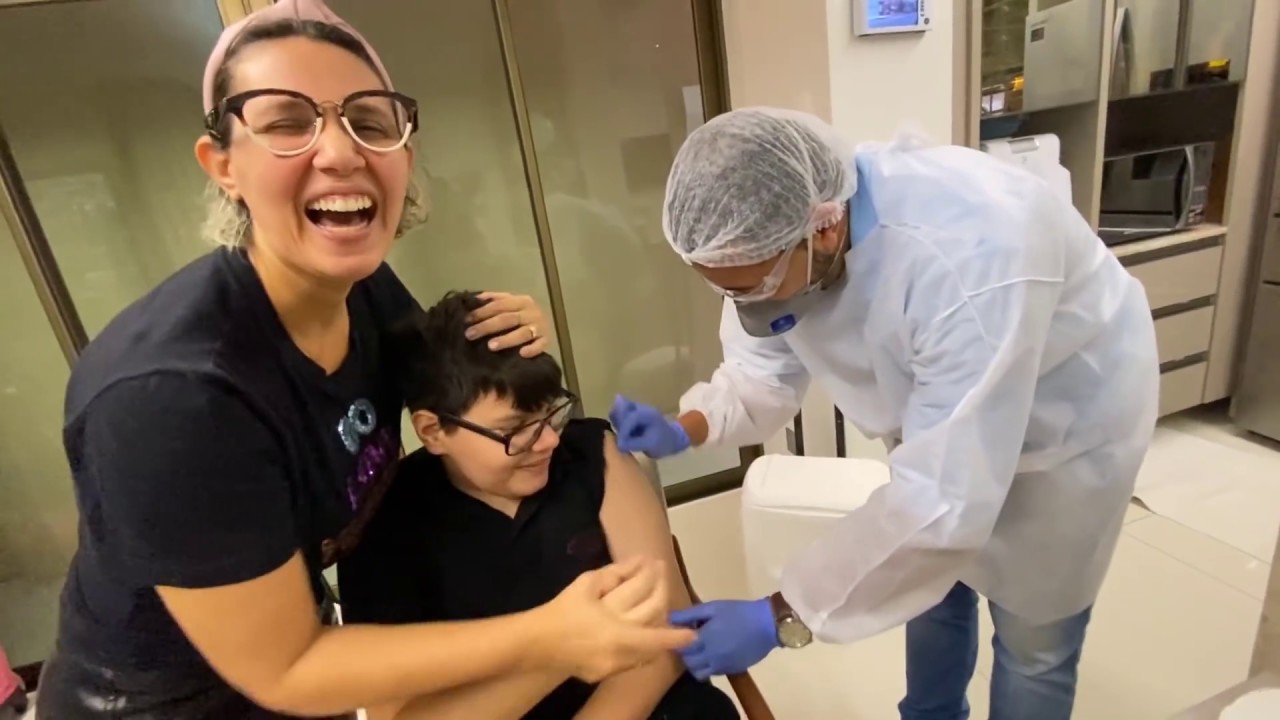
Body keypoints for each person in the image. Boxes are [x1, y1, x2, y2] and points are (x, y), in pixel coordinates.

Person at [36, 2, 693, 718]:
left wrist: (508, 333)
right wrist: (551, 638)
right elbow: (288, 665)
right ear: (223, 164)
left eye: (369, 121)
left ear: (404, 157)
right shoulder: (172, 396)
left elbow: (452, 377)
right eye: (287, 122)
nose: (340, 151)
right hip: (152, 702)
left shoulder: (366, 294)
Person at [610, 107, 1160, 720]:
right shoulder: (775, 239)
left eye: (748, 288)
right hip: (946, 421)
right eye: (725, 289)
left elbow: (941, 503)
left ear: (819, 232)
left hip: (1063, 433)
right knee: (930, 595)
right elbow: (763, 366)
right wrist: (687, 426)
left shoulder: (971, 254)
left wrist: (779, 615)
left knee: (1035, 644)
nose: (742, 303)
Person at [337, 292, 740, 720]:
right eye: (515, 430)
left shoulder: (590, 454)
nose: (548, 440)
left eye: (550, 415)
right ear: (433, 430)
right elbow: (400, 714)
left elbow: (666, 630)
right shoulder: (383, 526)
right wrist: (556, 654)